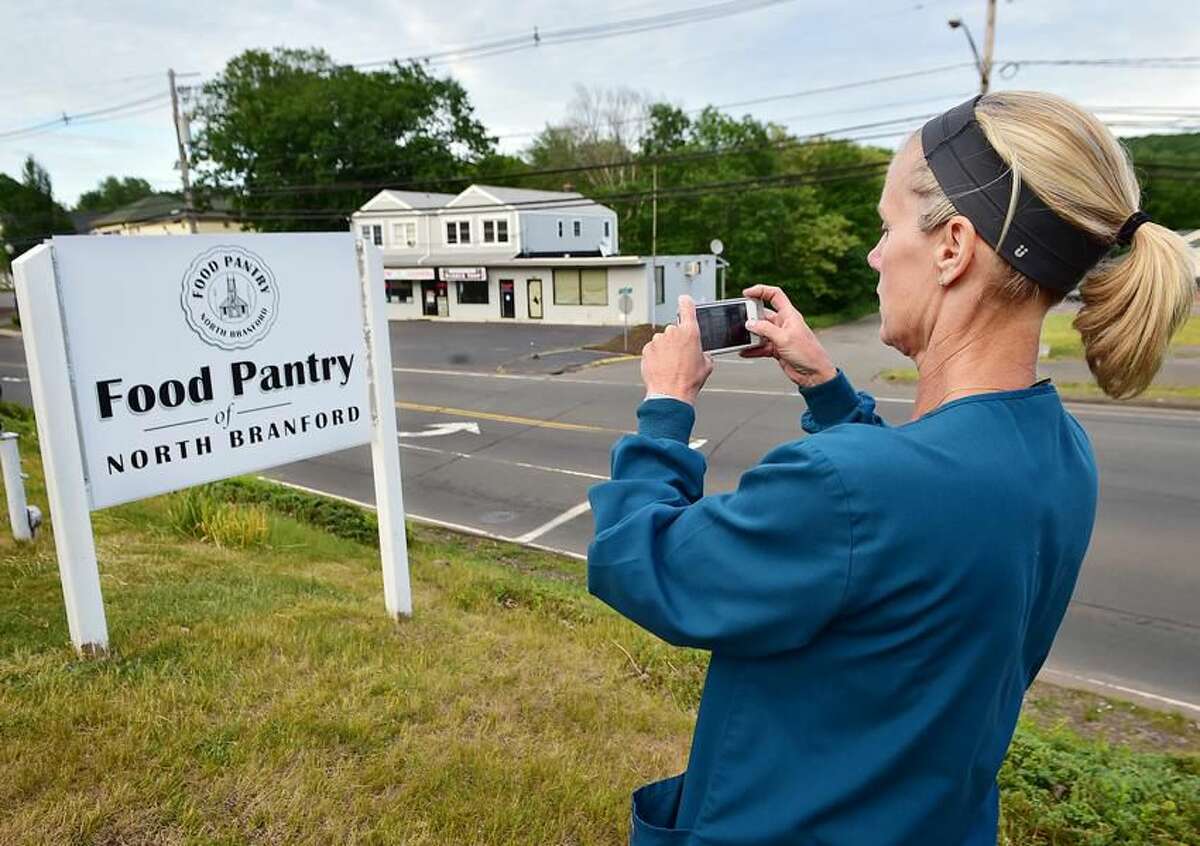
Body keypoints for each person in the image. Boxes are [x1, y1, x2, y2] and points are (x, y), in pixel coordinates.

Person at [586, 91, 1195, 846]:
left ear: (953, 247)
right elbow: (918, 509)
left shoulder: (850, 485)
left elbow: (637, 561)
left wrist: (665, 406)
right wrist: (824, 384)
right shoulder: (1060, 450)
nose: (874, 253)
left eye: (886, 226)